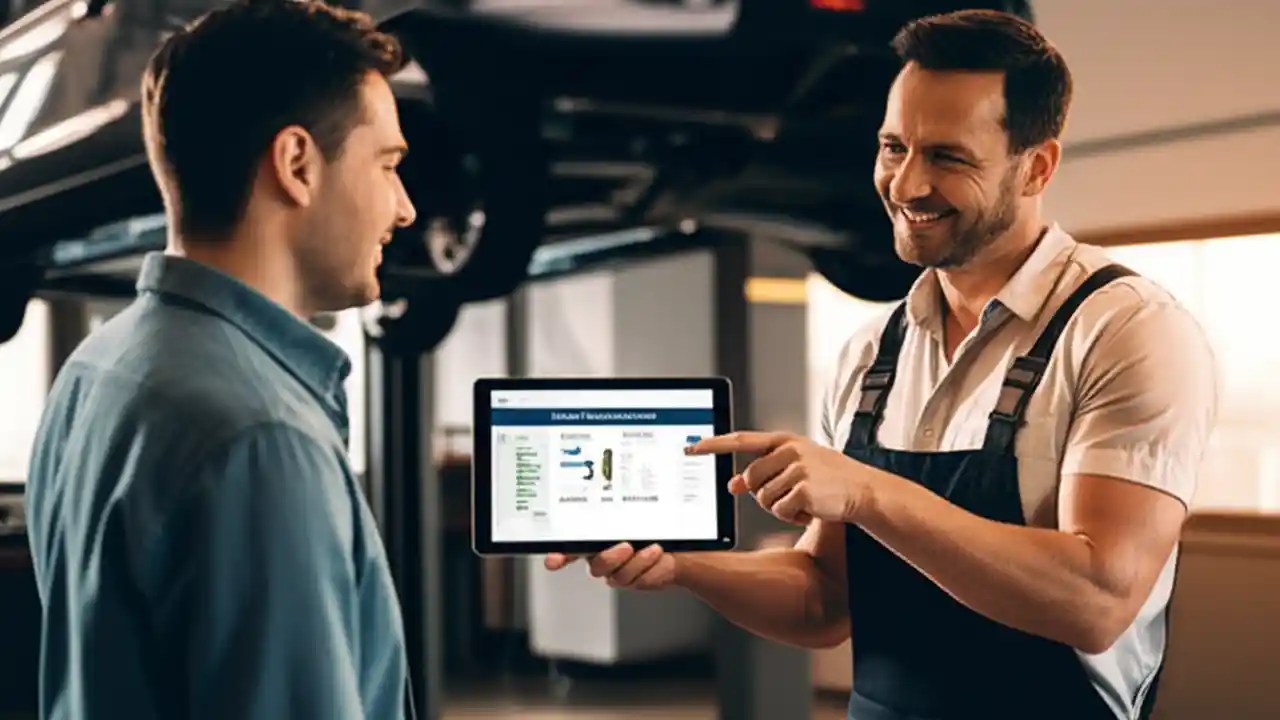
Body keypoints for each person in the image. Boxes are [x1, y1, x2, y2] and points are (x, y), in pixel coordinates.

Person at [547, 9, 1218, 720]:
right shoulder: (874, 353)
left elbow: (1096, 600)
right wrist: (679, 568)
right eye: (893, 146)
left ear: (1037, 167)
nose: (905, 184)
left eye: (948, 158)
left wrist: (867, 492)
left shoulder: (1125, 329)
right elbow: (823, 599)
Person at [24, 1, 417, 718]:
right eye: (387, 165)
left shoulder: (96, 369)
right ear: (297, 163)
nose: (405, 207)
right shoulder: (262, 438)